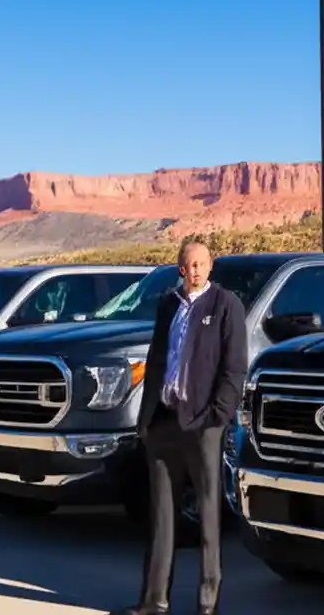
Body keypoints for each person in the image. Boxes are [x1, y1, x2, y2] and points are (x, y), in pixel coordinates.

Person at [112, 240, 247, 615]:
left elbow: (234, 368)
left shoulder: (225, 305)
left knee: (207, 516)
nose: (197, 270)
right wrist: (146, 419)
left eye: (202, 264)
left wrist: (218, 414)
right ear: (180, 269)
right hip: (164, 423)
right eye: (190, 265)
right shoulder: (168, 305)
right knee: (161, 518)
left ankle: (207, 604)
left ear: (211, 267)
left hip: (203, 424)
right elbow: (156, 362)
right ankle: (153, 600)